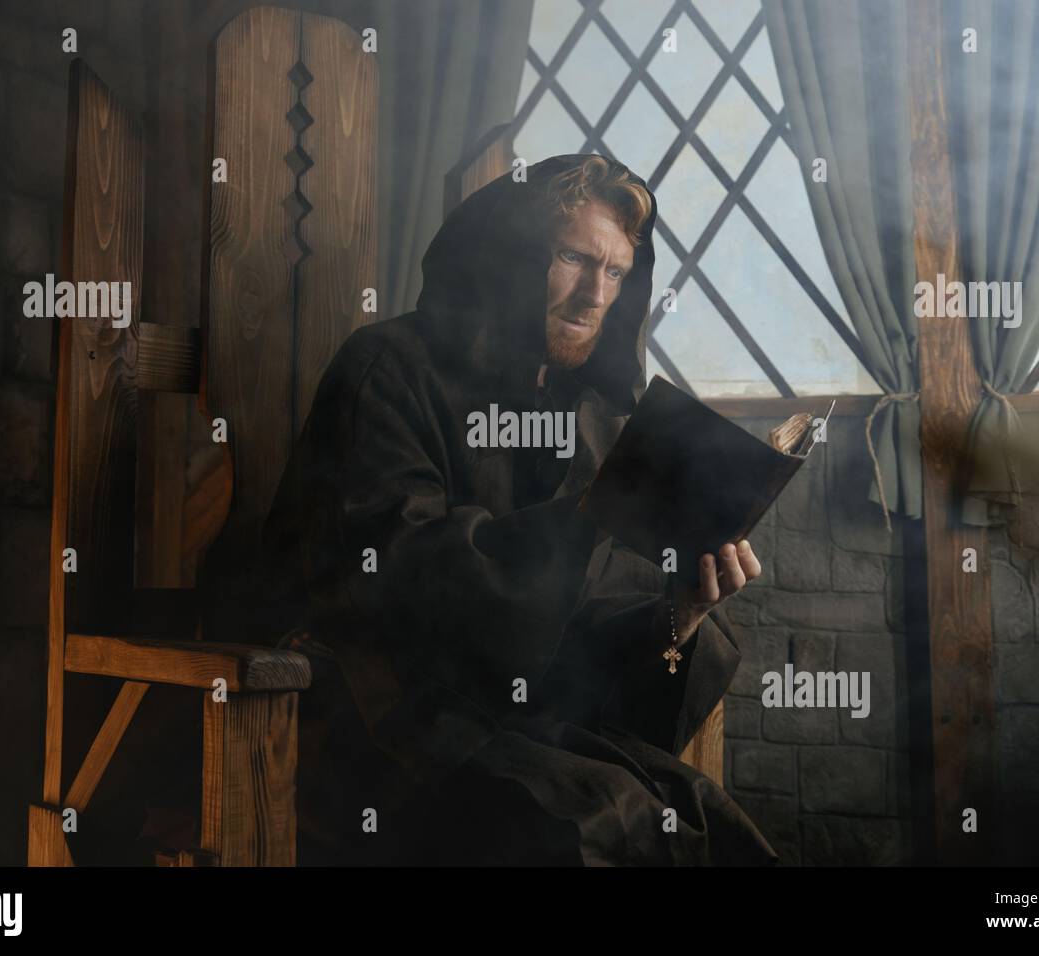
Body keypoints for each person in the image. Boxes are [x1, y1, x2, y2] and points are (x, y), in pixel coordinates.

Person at [261, 154, 777, 866]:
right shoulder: (386, 369)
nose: (596, 294)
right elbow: (402, 582)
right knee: (603, 820)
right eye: (573, 257)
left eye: (618, 272)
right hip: (373, 720)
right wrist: (584, 521)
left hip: (520, 722)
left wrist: (679, 616)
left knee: (705, 822)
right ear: (510, 255)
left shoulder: (587, 412)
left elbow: (582, 641)